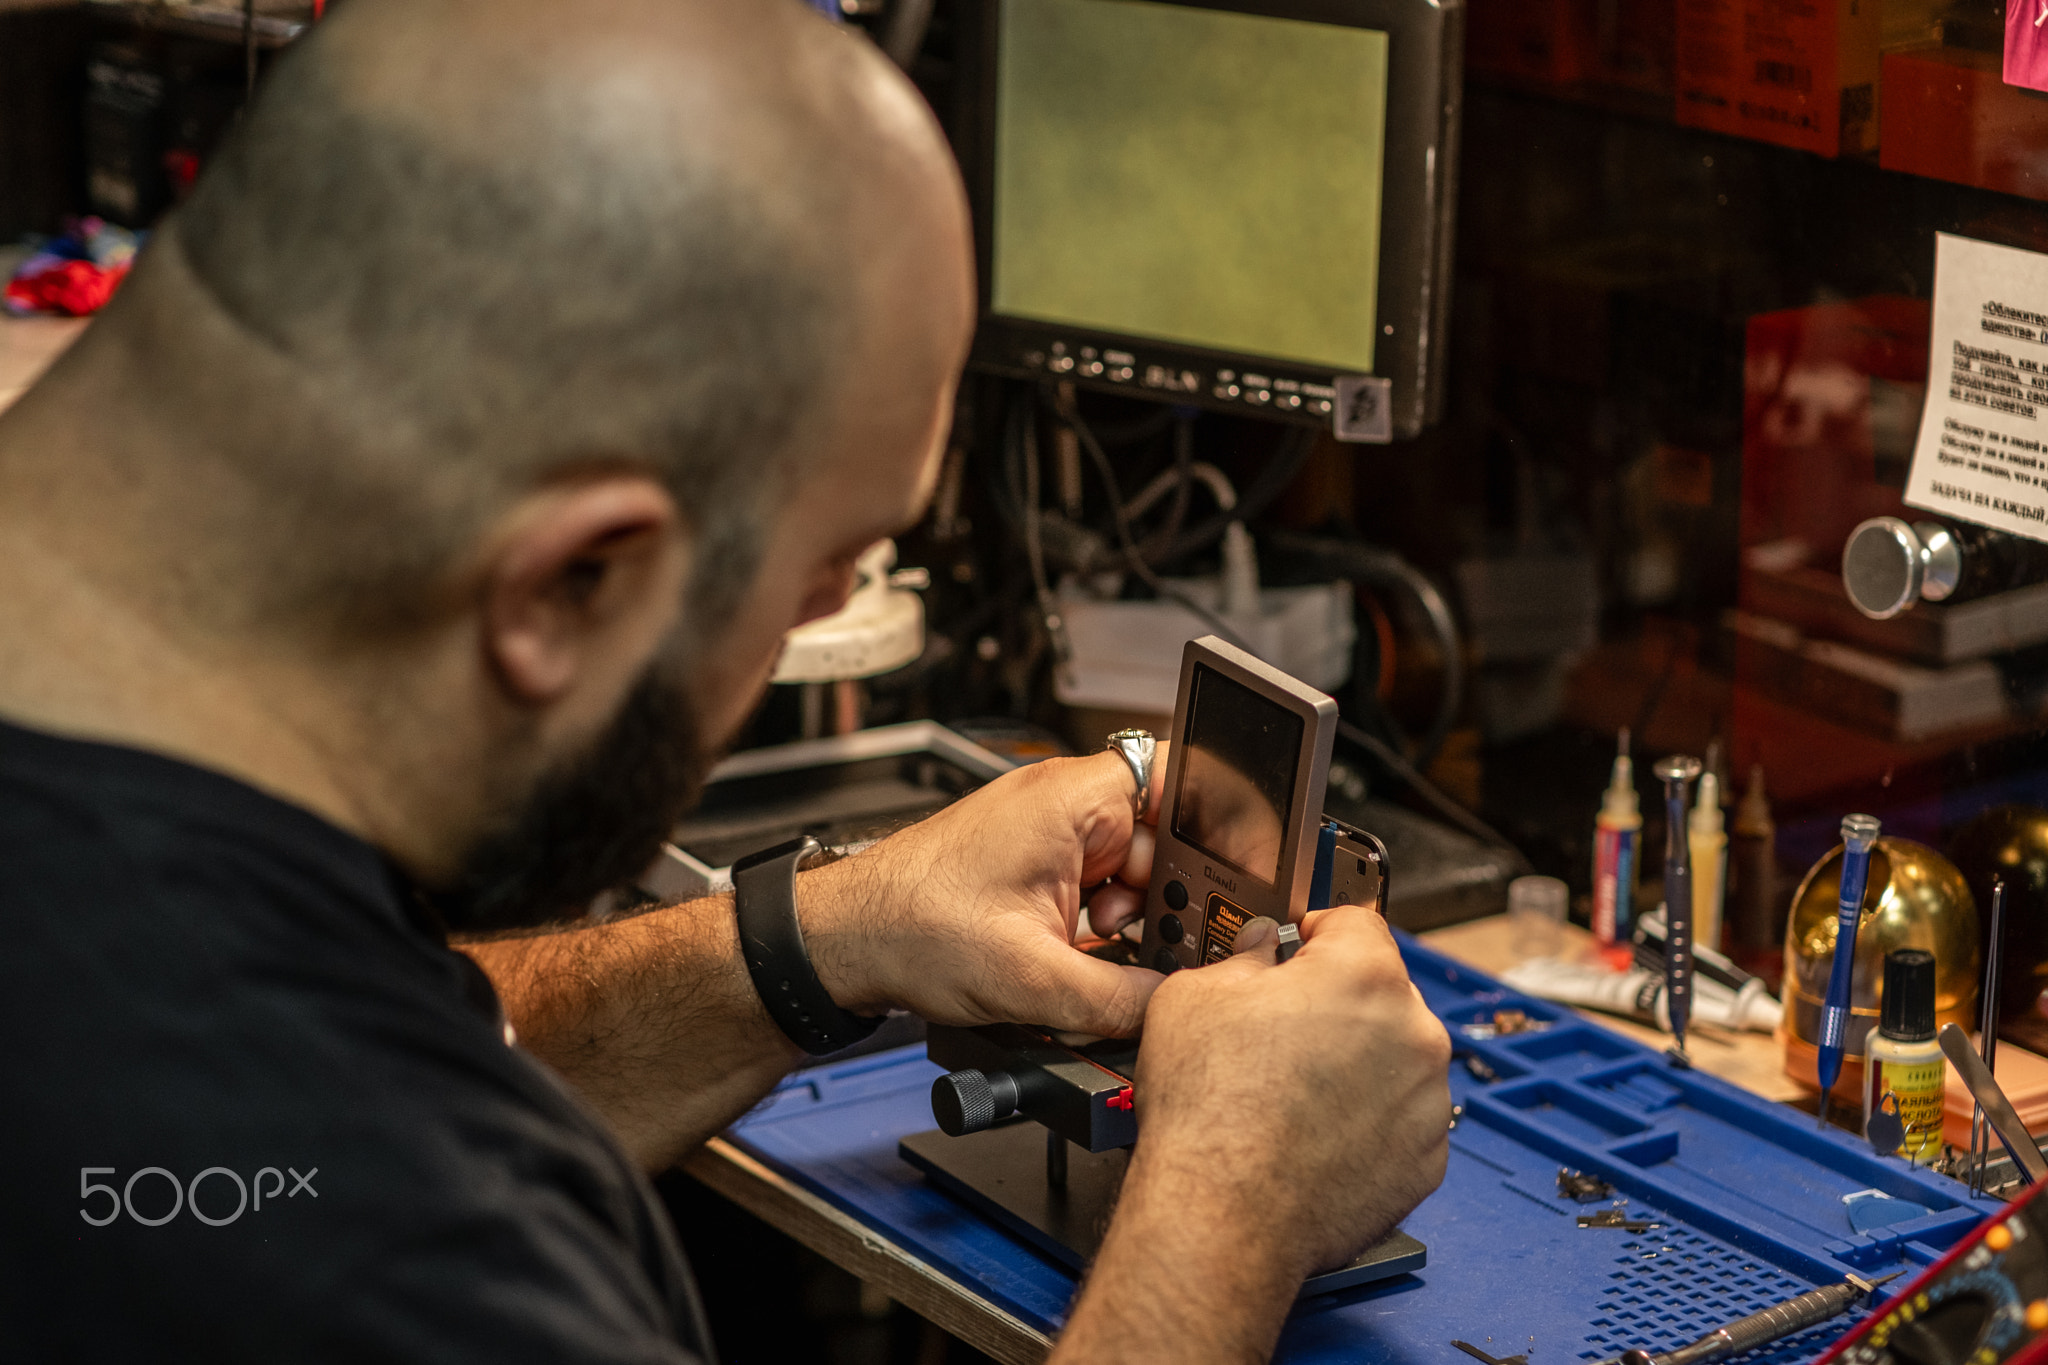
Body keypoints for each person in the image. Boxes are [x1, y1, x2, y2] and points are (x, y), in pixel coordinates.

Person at [0, 0, 1452, 1359]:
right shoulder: (409, 1267)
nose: (806, 629)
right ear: (575, 580)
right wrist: (1227, 1206)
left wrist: (819, 942)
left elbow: (333, 1100)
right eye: (826, 572)